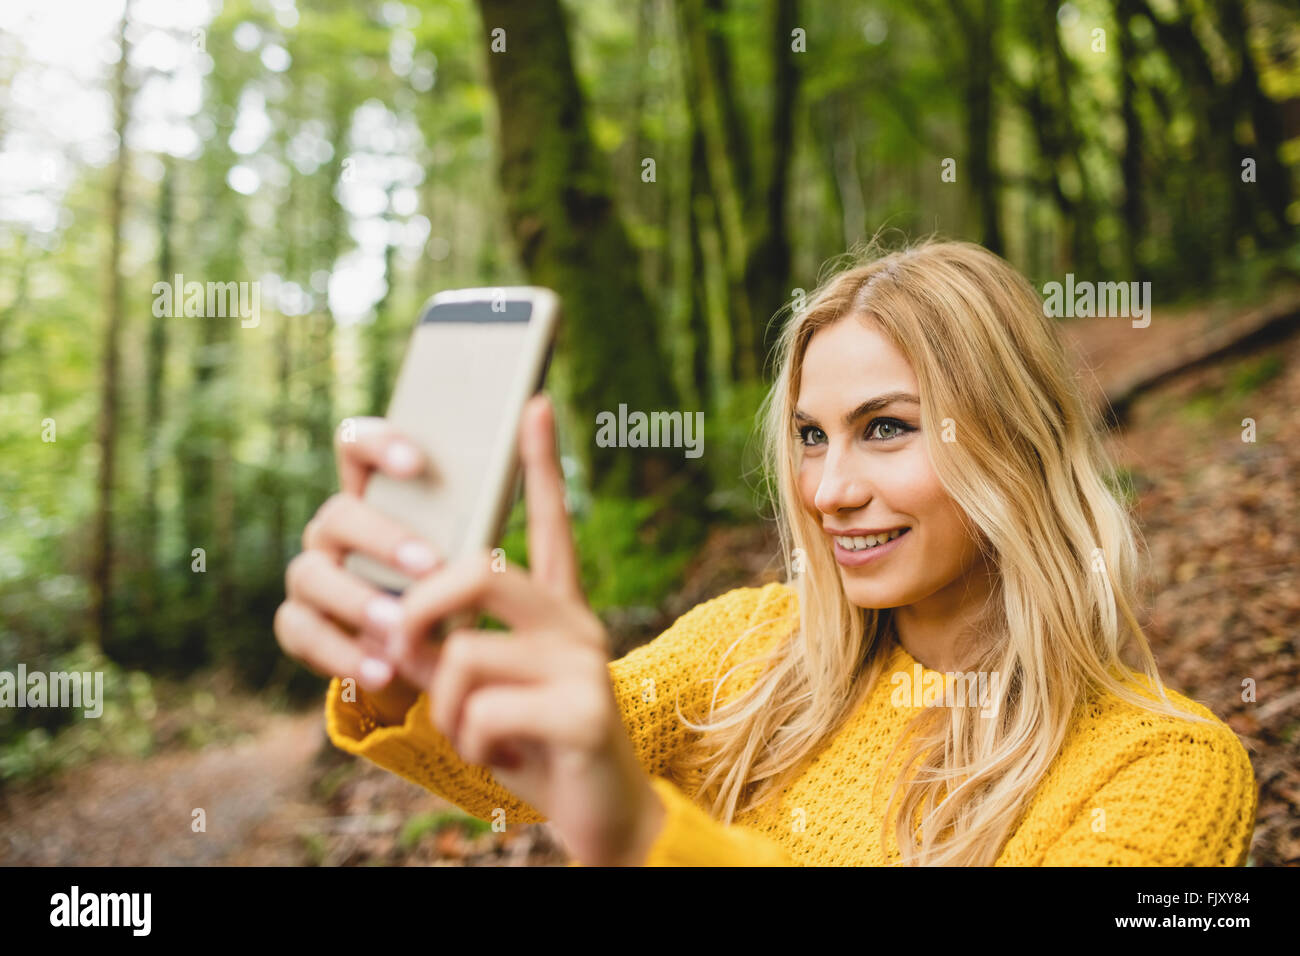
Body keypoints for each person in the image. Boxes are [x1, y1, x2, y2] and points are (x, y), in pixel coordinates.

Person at [274, 236, 1258, 866]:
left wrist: (647, 834)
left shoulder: (1164, 770)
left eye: (885, 428)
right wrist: (406, 659)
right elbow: (528, 762)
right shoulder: (751, 646)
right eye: (809, 434)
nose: (828, 490)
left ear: (1016, 439)